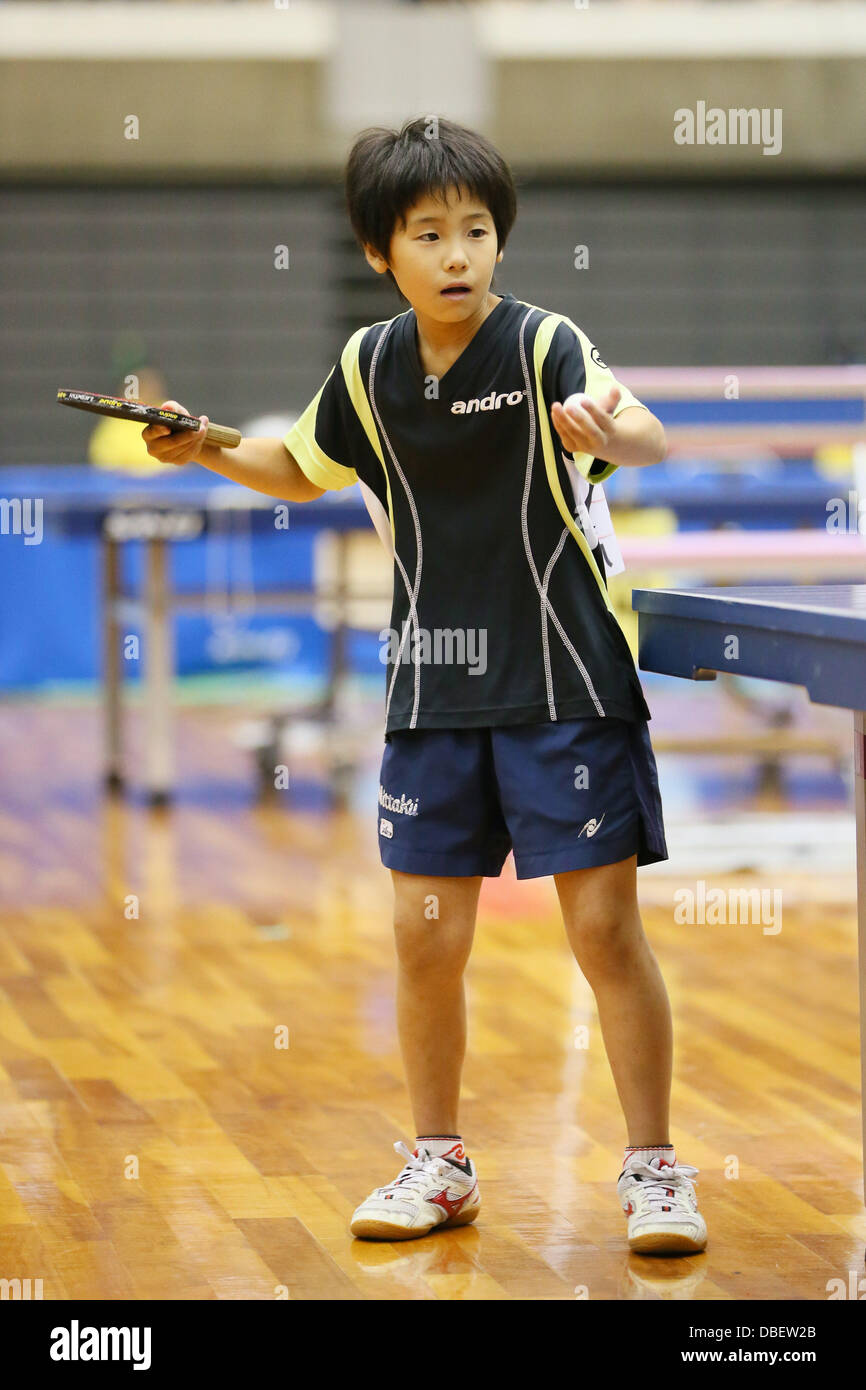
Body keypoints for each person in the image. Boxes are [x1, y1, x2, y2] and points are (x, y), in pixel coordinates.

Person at [141, 116, 707, 1257]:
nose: (458, 255)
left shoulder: (546, 346)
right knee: (421, 934)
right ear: (377, 252)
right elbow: (298, 468)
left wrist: (618, 430)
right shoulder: (366, 366)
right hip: (432, 691)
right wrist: (199, 441)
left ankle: (653, 1167)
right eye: (430, 234)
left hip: (562, 679)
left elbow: (639, 430)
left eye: (477, 231)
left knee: (601, 929)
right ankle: (438, 1163)